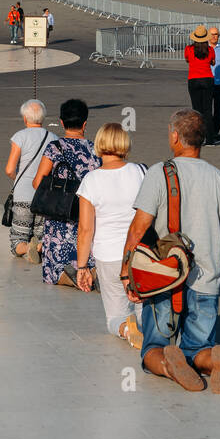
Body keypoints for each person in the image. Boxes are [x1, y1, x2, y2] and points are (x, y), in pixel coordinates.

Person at [121, 109, 220, 393]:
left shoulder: (158, 173)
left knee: (153, 347)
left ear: (175, 136)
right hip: (206, 280)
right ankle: (212, 361)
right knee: (197, 346)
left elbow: (138, 228)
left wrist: (127, 272)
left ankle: (167, 365)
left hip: (165, 278)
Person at [75, 123, 145, 348]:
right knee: (144, 304)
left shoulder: (91, 181)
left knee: (114, 315)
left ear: (100, 145)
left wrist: (83, 267)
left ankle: (125, 329)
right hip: (140, 252)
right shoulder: (141, 172)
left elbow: (86, 230)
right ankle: (147, 334)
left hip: (109, 255)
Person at [32, 98, 100, 286]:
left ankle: (67, 277)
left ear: (61, 123)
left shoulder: (55, 148)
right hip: (87, 213)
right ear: (85, 123)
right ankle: (88, 272)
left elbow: (38, 182)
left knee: (54, 268)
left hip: (59, 214)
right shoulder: (95, 149)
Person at [4, 99, 51, 261]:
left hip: (23, 194)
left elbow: (10, 169)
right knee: (40, 234)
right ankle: (38, 247)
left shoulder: (20, 137)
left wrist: (18, 179)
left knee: (17, 240)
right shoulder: (53, 138)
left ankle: (25, 248)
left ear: (25, 118)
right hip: (44, 196)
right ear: (43, 118)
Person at [184, 24, 216, 144]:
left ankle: (198, 138)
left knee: (196, 110)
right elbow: (213, 62)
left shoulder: (188, 49)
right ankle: (210, 139)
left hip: (193, 79)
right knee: (207, 110)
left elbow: (187, 60)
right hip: (207, 78)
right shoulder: (210, 50)